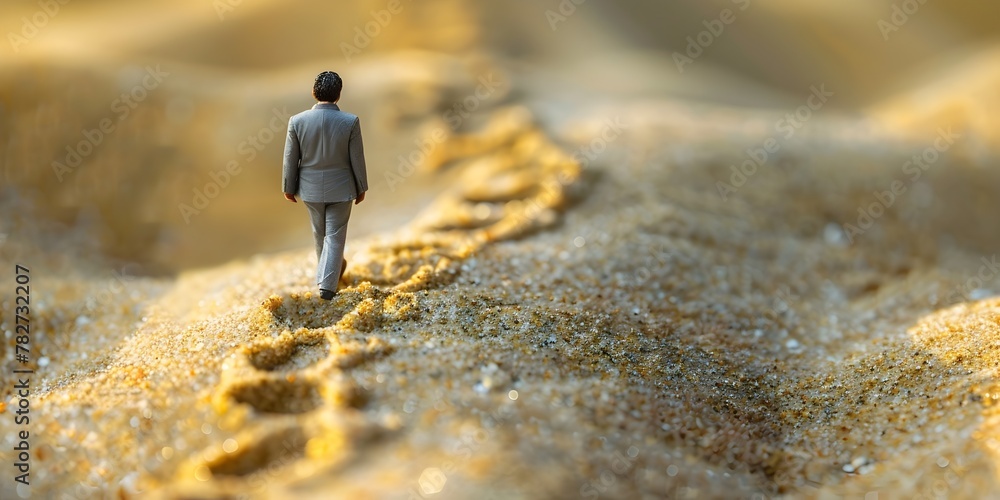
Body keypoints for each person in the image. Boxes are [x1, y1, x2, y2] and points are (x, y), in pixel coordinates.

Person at [282, 71, 368, 300]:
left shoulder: (297, 121)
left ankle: (330, 274)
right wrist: (361, 187)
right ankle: (327, 286)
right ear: (338, 95)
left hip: (309, 189)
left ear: (313, 92)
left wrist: (288, 186)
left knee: (320, 234)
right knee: (335, 235)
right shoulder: (350, 121)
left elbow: (291, 157)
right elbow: (356, 158)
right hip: (341, 188)